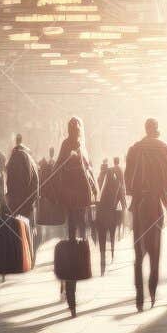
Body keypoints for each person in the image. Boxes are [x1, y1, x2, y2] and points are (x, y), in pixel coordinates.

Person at [124, 118, 167, 312]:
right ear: (156, 130)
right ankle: (153, 290)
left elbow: (127, 181)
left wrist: (137, 191)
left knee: (138, 255)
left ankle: (139, 296)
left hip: (139, 205)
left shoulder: (134, 149)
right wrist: (165, 193)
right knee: (155, 252)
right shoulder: (165, 149)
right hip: (155, 206)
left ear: (145, 129)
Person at [52, 117, 98, 318]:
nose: (76, 131)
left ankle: (68, 285)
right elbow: (60, 169)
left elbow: (87, 169)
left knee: (74, 241)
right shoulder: (71, 146)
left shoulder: (79, 147)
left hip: (75, 202)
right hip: (74, 202)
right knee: (75, 243)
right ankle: (70, 289)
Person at [94, 157, 125, 273]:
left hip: (101, 214)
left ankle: (103, 262)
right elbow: (120, 194)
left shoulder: (98, 179)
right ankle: (111, 252)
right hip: (111, 215)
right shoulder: (115, 181)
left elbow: (95, 198)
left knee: (101, 238)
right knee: (111, 234)